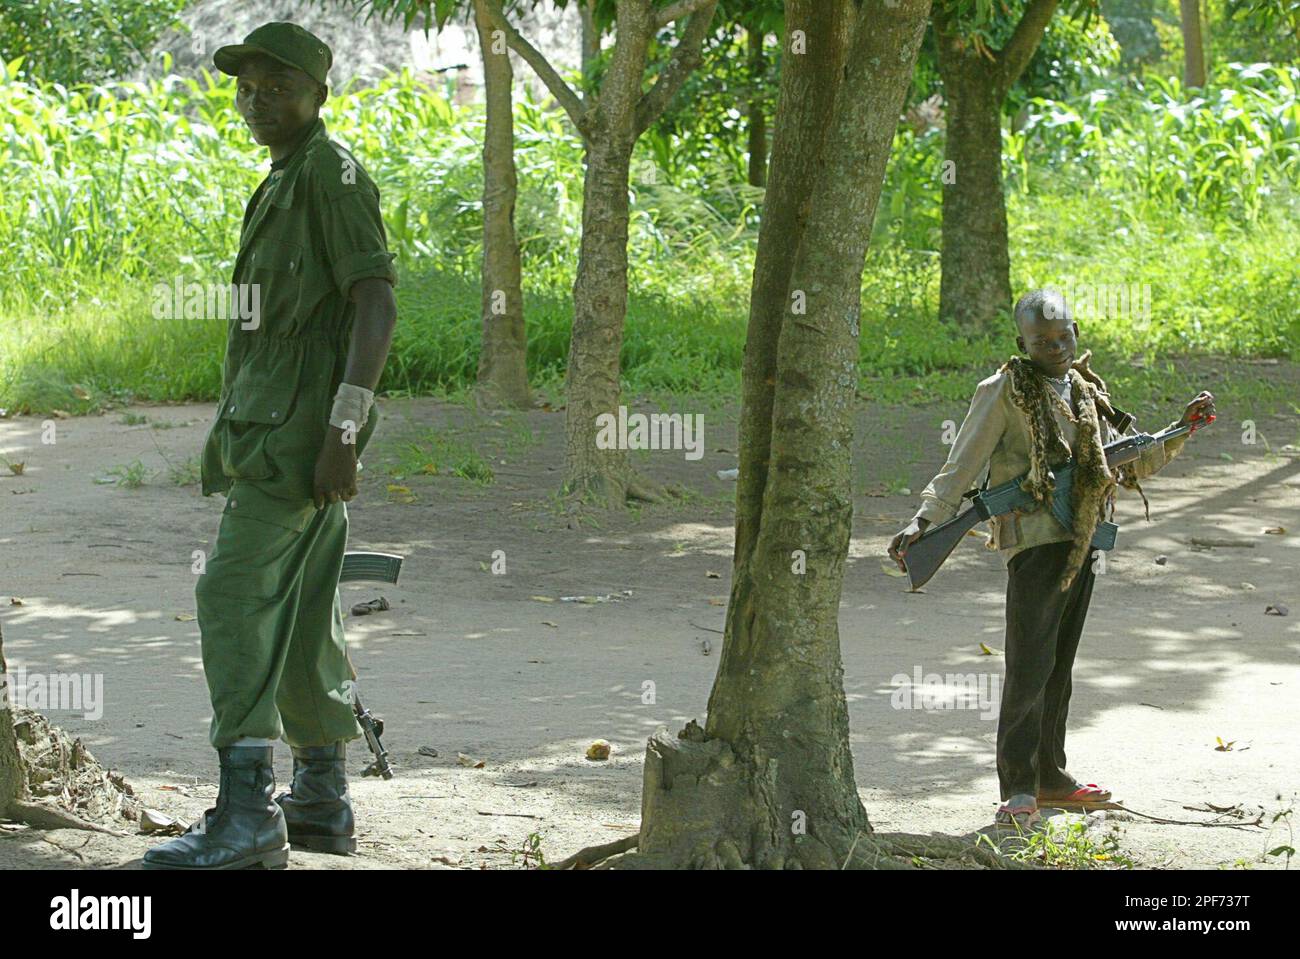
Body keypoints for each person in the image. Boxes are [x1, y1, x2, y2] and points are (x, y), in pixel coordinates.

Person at [144, 22, 399, 869]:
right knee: (298, 604)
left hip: (306, 435)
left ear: (318, 95)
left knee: (231, 596)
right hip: (279, 424)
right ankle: (321, 795)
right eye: (248, 89)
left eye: (277, 88)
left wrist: (345, 431)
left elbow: (377, 305)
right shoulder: (288, 176)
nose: (259, 103)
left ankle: (247, 815)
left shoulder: (331, 174)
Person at [887, 289, 1215, 829]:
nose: (1056, 348)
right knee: (1029, 664)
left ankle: (1051, 777)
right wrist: (923, 520)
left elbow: (1126, 463)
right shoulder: (1002, 391)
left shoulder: (1087, 391)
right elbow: (961, 463)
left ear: (1076, 334)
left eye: (1064, 338)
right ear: (1023, 343)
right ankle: (1018, 783)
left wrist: (1182, 429)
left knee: (1059, 664)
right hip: (1034, 540)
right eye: (1043, 341)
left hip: (1080, 538)